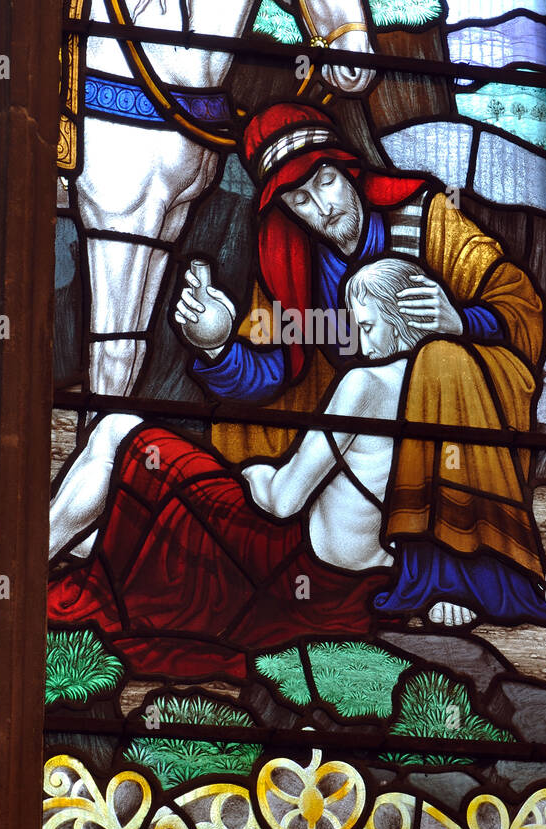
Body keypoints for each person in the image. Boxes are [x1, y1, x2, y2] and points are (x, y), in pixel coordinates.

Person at [175, 102, 546, 627]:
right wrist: (216, 344)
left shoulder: (427, 220)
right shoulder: (295, 267)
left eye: (325, 182)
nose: (322, 207)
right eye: (300, 198)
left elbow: (521, 306)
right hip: (365, 439)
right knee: (257, 426)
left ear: (347, 170)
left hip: (463, 416)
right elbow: (274, 370)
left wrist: (461, 321)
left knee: (440, 361)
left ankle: (459, 565)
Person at [49, 259, 430, 682]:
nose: (361, 342)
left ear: (399, 322)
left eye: (368, 326)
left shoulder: (366, 384)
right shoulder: (450, 394)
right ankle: (51, 554)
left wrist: (255, 475)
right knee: (130, 514)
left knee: (118, 431)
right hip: (349, 592)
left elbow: (283, 502)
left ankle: (29, 563)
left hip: (282, 565)